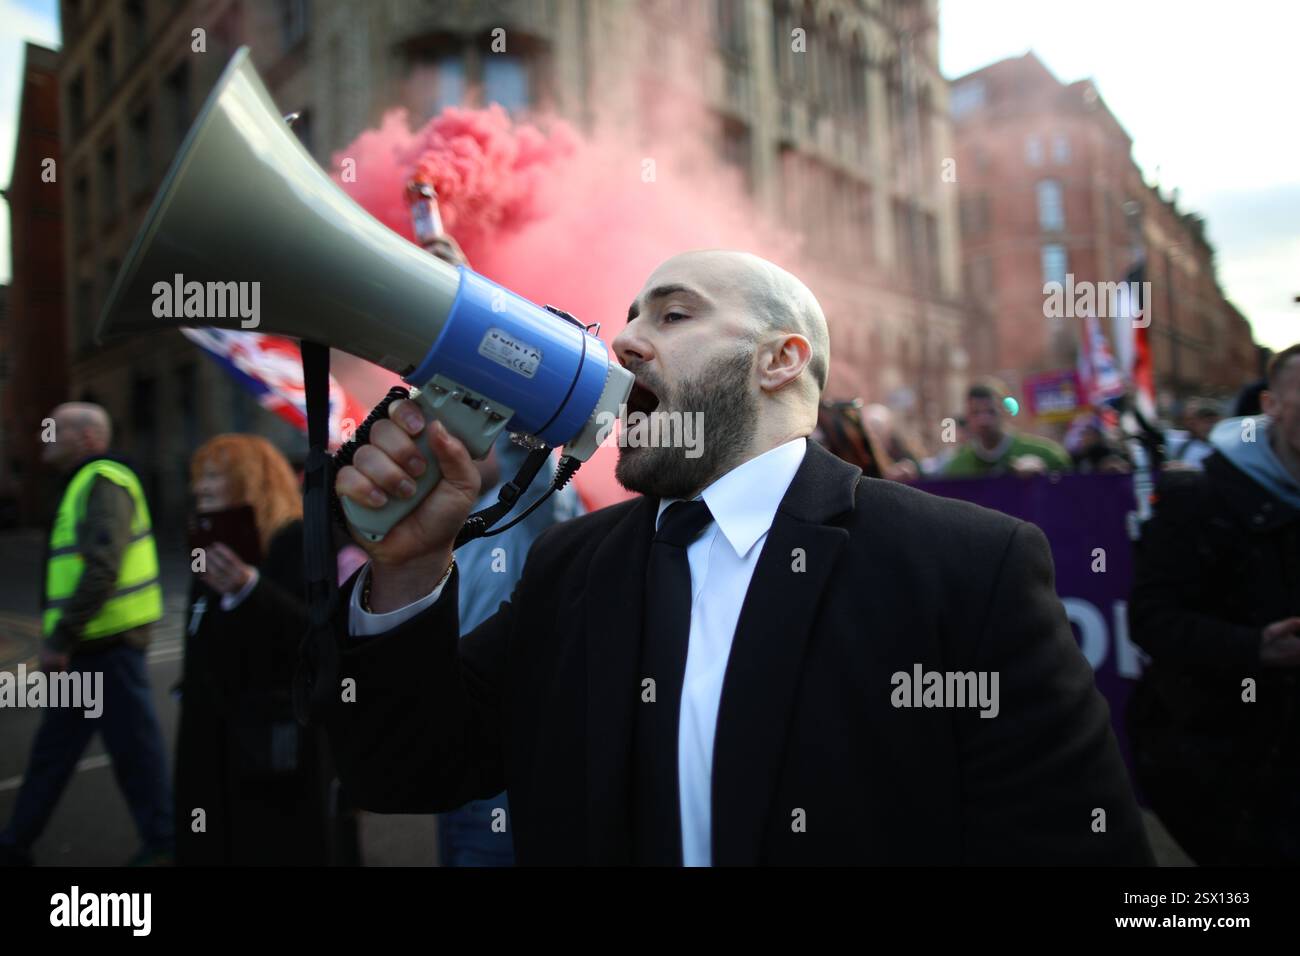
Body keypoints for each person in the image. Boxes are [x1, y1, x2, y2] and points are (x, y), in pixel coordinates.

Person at [327, 249, 1151, 865]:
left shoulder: (966, 568)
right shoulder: (569, 571)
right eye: (630, 317)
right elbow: (405, 772)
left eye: (673, 315)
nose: (623, 343)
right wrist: (408, 566)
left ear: (780, 359)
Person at [1128, 344, 1300, 865]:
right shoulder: (1198, 496)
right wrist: (1252, 648)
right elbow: (1151, 620)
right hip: (1231, 765)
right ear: (1271, 405)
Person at [0, 403, 173, 866]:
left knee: (134, 753)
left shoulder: (103, 480)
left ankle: (163, 843)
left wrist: (59, 638)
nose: (44, 441)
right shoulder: (82, 483)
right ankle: (15, 844)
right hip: (87, 647)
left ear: (88, 437)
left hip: (108, 646)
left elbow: (102, 567)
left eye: (52, 432)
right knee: (53, 755)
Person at [175, 434, 342, 865]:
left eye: (213, 476)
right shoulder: (211, 544)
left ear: (248, 479)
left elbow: (315, 634)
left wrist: (249, 590)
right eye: (199, 478)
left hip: (275, 740)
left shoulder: (298, 538)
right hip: (213, 734)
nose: (201, 488)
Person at [434, 431, 585, 866]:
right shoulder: (458, 520)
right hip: (453, 764)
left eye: (474, 443)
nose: (458, 450)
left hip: (505, 773)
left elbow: (527, 454)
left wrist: (502, 374)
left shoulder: (528, 509)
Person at [942, 382, 1073, 478]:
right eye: (976, 413)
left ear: (1006, 412)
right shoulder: (957, 467)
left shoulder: (1047, 455)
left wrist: (1043, 474)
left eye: (990, 412)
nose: (983, 420)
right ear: (967, 417)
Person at [1164, 398, 1221, 469]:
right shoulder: (1179, 442)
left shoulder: (1222, 450)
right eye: (1206, 422)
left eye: (1213, 422)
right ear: (1195, 423)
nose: (1210, 427)